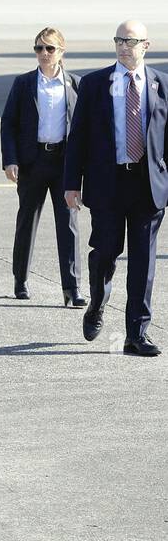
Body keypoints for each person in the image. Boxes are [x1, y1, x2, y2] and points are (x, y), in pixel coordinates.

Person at [64, 19, 166, 356]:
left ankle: (136, 334)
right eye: (119, 40)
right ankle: (97, 302)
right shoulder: (95, 84)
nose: (124, 46)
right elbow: (76, 137)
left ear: (145, 46)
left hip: (147, 186)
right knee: (106, 251)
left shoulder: (160, 86)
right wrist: (71, 184)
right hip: (108, 184)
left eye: (131, 41)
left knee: (144, 262)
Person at [0, 27, 84, 305]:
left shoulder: (75, 85)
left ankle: (72, 289)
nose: (44, 54)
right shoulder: (23, 83)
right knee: (27, 222)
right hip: (32, 162)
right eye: (39, 48)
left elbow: (84, 130)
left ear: (61, 51)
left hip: (64, 163)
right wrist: (10, 160)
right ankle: (21, 279)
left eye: (49, 48)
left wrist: (85, 168)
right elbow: (9, 123)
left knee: (69, 224)